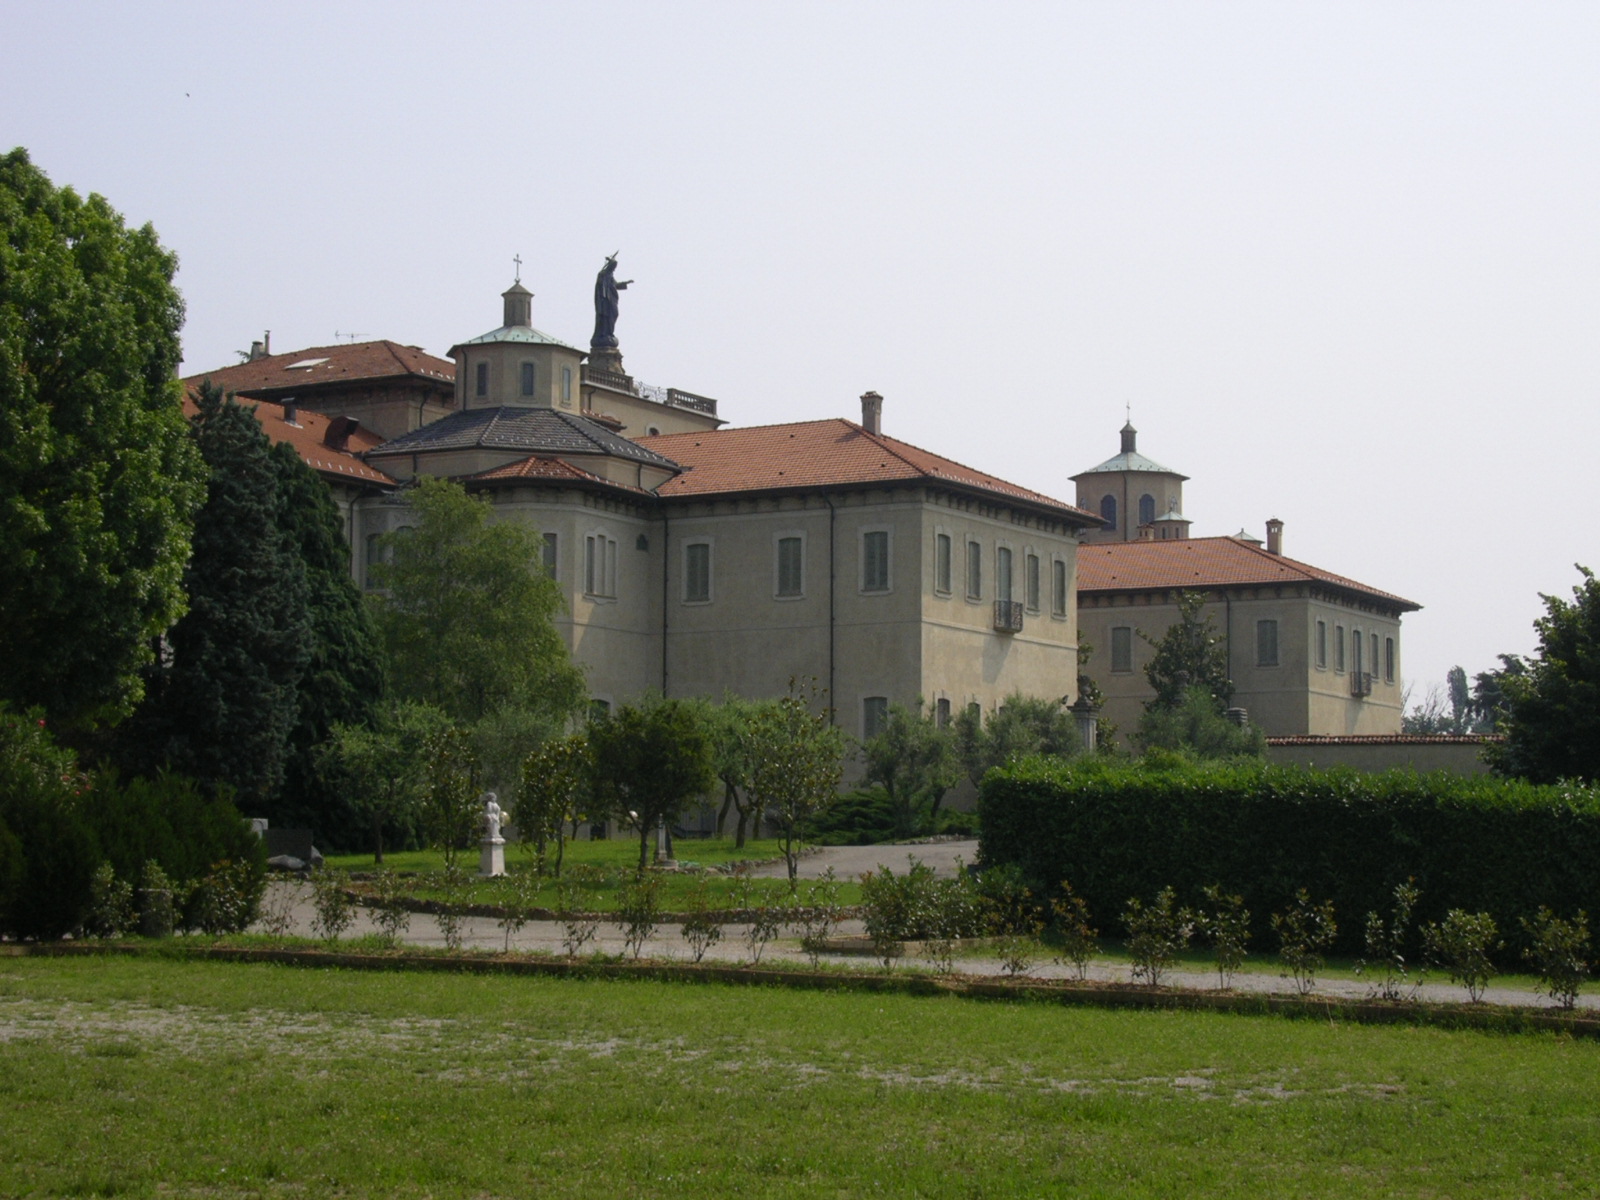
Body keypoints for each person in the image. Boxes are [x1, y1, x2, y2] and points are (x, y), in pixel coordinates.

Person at [591, 253, 632, 348]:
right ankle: (603, 333)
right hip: (604, 300)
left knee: (614, 314)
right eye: (613, 267)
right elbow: (601, 287)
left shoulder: (610, 275)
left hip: (611, 299)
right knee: (605, 317)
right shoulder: (602, 274)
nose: (614, 269)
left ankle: (609, 333)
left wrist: (626, 283)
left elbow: (615, 285)